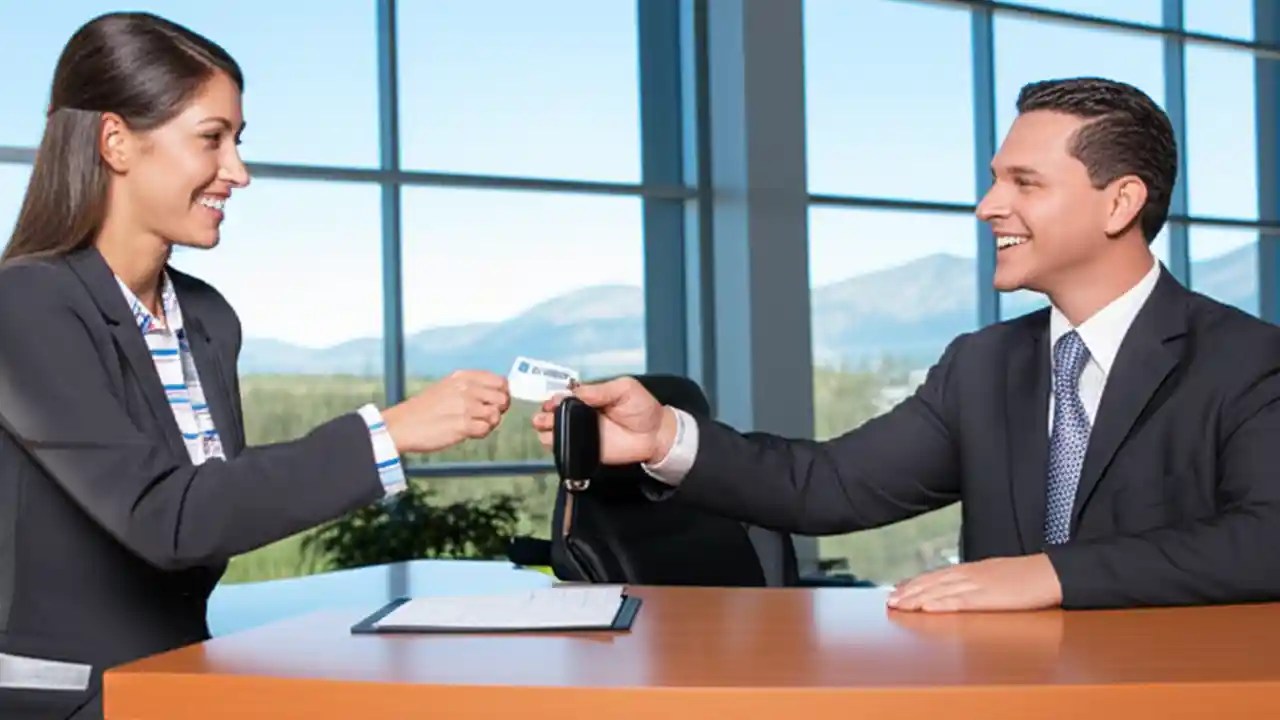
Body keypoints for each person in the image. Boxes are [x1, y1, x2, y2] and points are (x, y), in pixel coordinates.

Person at [535, 76, 1280, 614]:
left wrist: (1052, 575)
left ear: (1120, 203)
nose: (989, 206)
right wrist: (663, 437)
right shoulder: (983, 365)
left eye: (1025, 183)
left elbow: (1267, 538)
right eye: (995, 181)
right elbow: (827, 485)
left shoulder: (1248, 360)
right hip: (1001, 692)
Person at [0, 13, 511, 719]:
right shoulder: (25, 305)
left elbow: (218, 505)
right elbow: (165, 517)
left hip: (180, 679)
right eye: (212, 138)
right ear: (115, 141)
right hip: (66, 700)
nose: (237, 172)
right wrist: (385, 435)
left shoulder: (207, 317)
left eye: (238, 141)